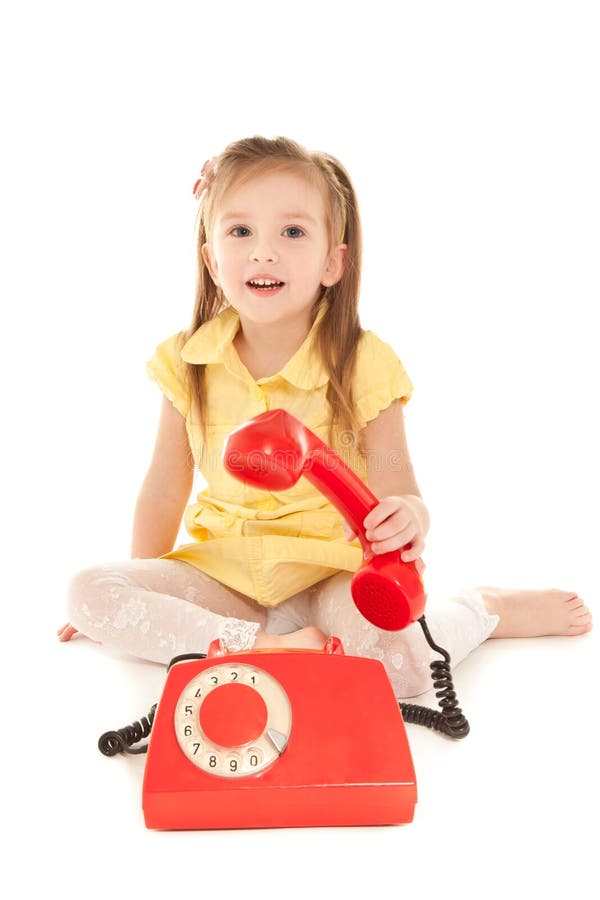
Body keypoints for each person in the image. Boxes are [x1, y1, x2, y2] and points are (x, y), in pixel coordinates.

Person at [58, 135, 592, 699]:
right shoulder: (185, 362)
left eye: (292, 232)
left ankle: (485, 609)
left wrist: (408, 518)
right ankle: (271, 648)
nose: (264, 252)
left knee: (406, 670)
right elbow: (165, 491)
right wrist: (146, 599)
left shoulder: (362, 363)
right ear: (212, 259)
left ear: (333, 262)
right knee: (86, 590)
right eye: (241, 231)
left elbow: (398, 484)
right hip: (224, 572)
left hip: (327, 572)